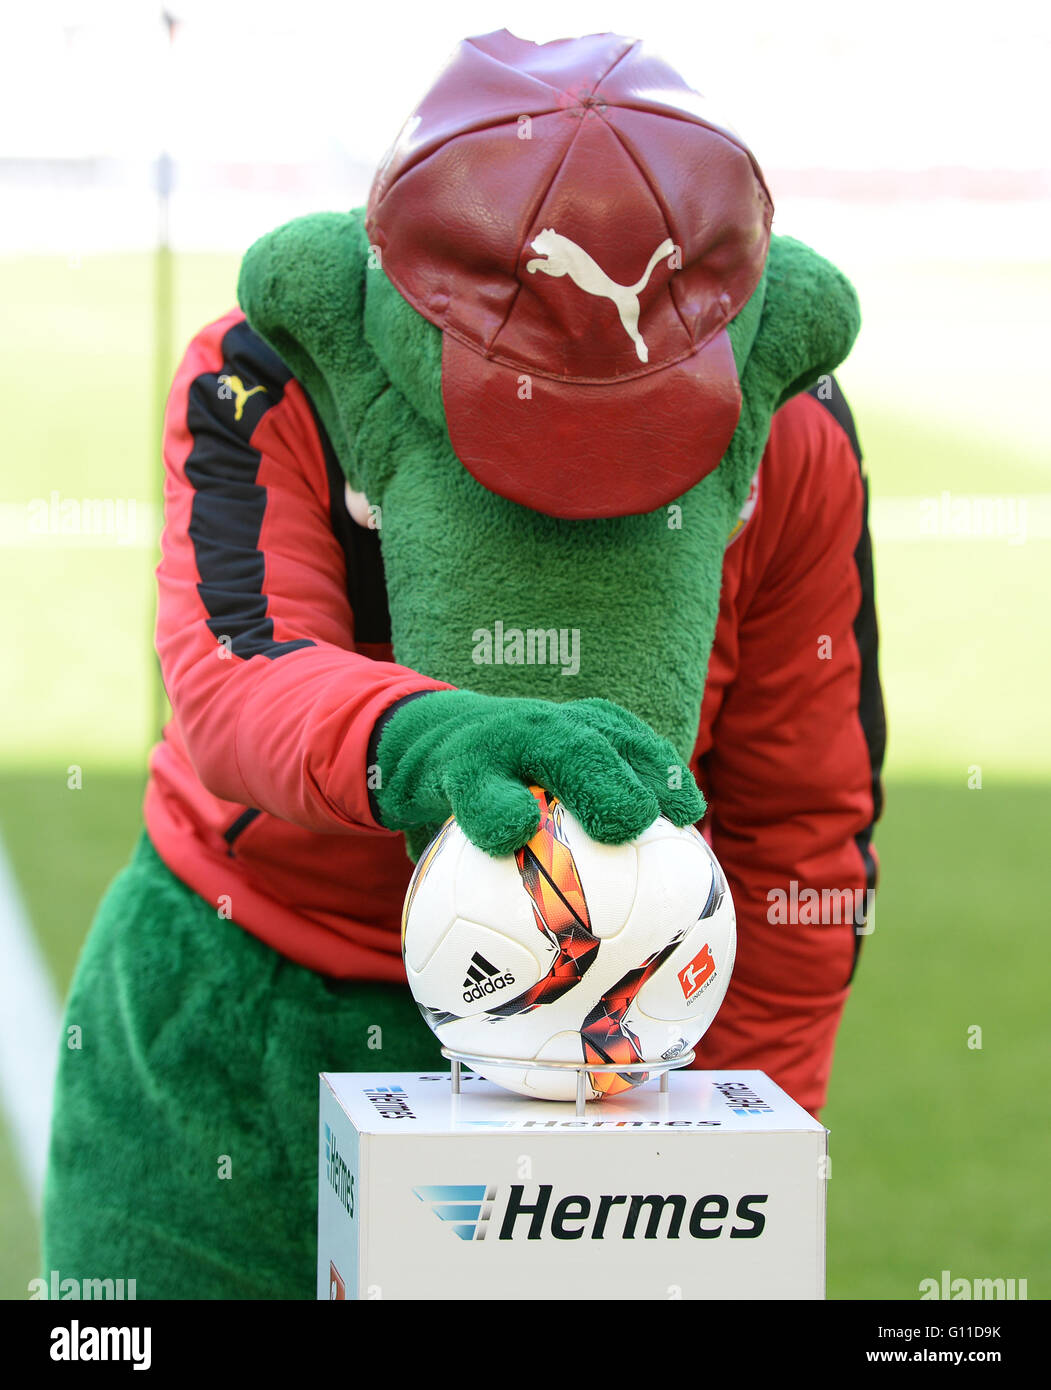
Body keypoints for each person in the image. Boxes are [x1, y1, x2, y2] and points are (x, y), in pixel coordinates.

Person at [43, 29, 884, 1299]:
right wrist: (420, 739)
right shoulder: (269, 370)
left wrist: (733, 1175)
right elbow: (236, 675)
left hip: (599, 1056)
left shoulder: (794, 432)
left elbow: (797, 829)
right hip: (242, 1008)